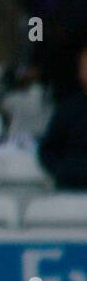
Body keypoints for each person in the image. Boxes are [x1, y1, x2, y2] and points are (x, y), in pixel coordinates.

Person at [38, 43, 87, 189]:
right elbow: (48, 150)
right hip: (71, 188)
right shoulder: (68, 109)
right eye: (84, 66)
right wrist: (64, 171)